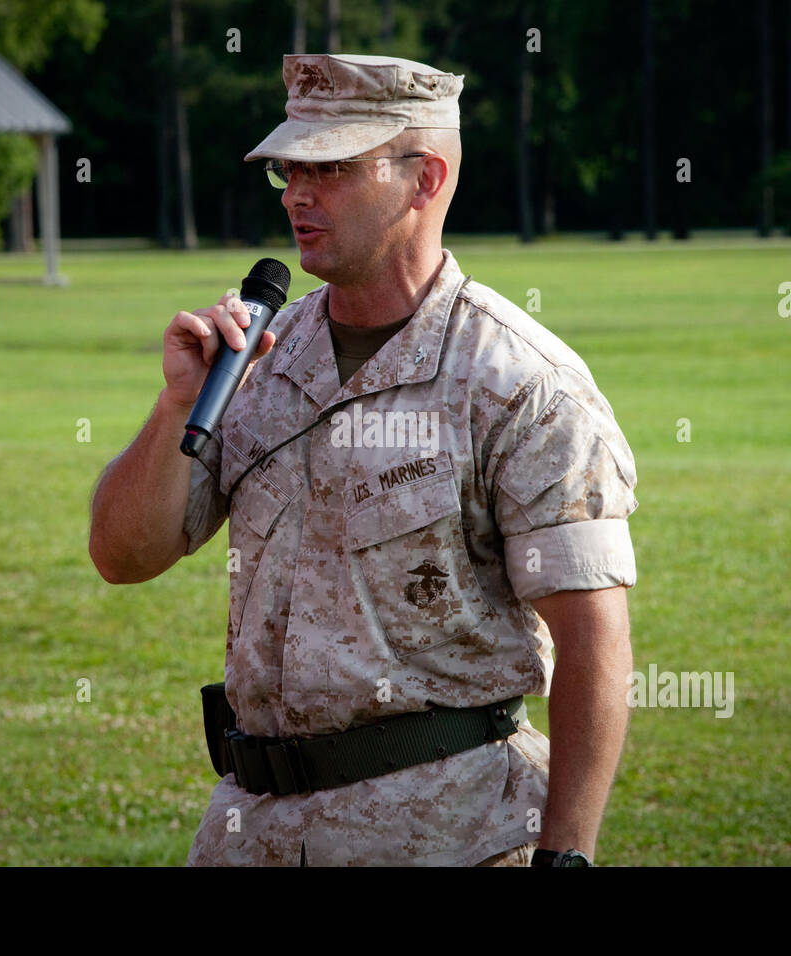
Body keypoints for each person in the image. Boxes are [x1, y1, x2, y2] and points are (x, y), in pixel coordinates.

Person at [87, 53, 638, 867]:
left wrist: (566, 857)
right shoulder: (258, 361)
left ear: (426, 179)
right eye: (289, 169)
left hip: (451, 837)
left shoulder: (522, 384)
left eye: (333, 167)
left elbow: (593, 642)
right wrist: (176, 405)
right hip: (253, 834)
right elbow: (123, 555)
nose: (298, 195)